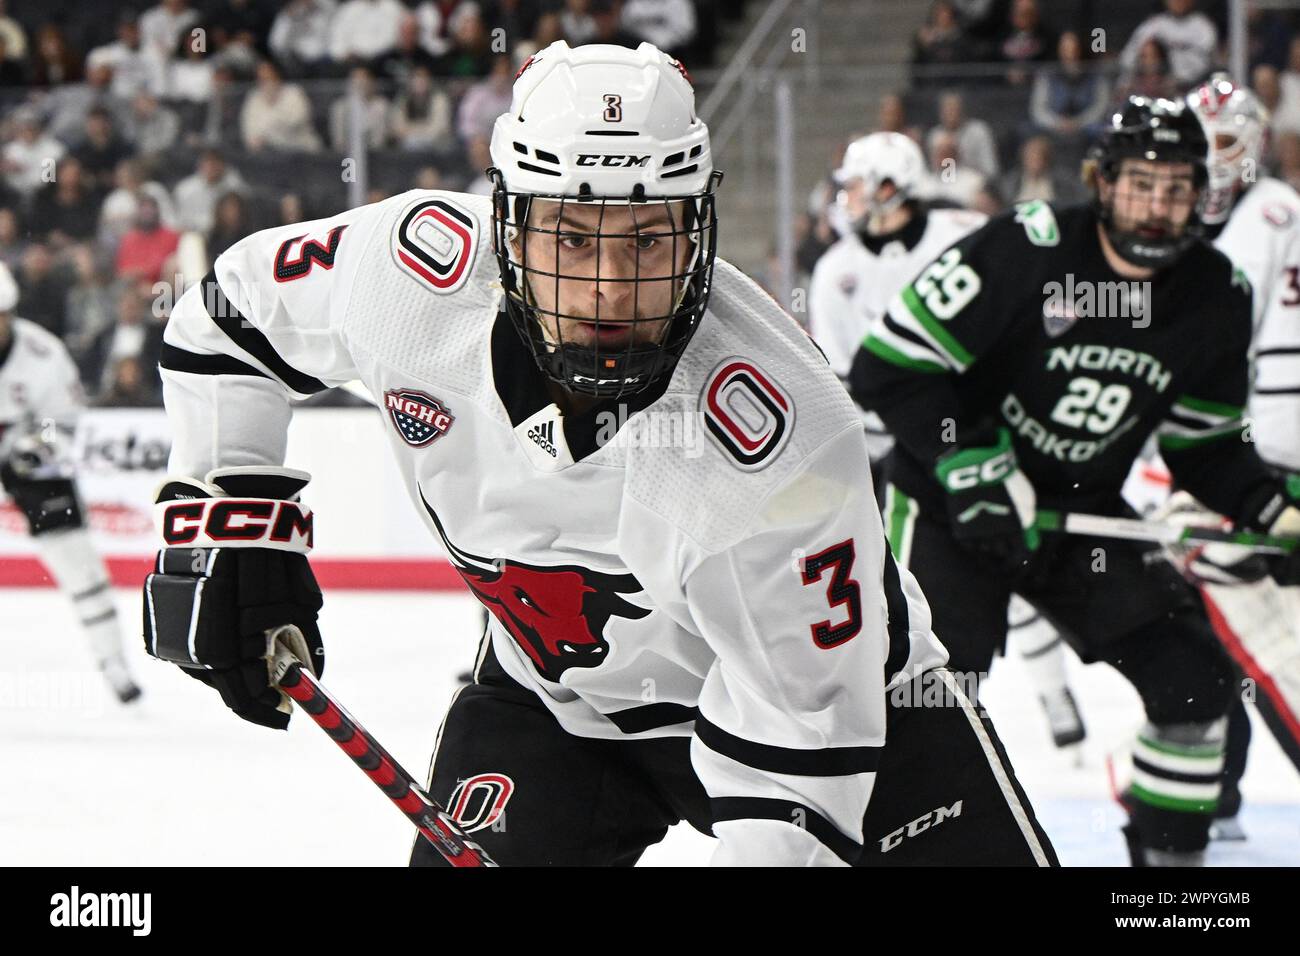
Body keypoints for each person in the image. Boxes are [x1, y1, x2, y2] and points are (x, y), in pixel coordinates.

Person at [143, 41, 1055, 868]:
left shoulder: (784, 439)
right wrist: (235, 525)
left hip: (854, 725)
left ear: (697, 229)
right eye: (572, 238)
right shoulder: (405, 276)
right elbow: (224, 319)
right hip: (557, 706)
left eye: (648, 238)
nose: (609, 289)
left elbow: (795, 775)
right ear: (507, 227)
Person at [850, 95, 1300, 866]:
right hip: (946, 504)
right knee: (929, 701)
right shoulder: (1027, 248)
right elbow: (887, 369)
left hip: (1073, 513)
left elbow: (1207, 447)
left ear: (1204, 193)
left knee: (1195, 680)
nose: (1156, 207)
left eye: (1175, 188)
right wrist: (970, 465)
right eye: (1139, 184)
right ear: (1102, 181)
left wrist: (1270, 507)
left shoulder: (1216, 295)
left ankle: (1170, 877)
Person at [0, 262, 141, 704]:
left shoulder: (43, 354)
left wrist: (31, 451)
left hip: (27, 463)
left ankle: (113, 661)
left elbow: (65, 423)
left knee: (79, 562)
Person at [809, 131, 985, 463]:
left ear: (888, 188)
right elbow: (838, 379)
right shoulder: (834, 270)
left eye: (856, 186)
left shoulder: (965, 236)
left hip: (968, 434)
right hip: (878, 448)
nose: (847, 197)